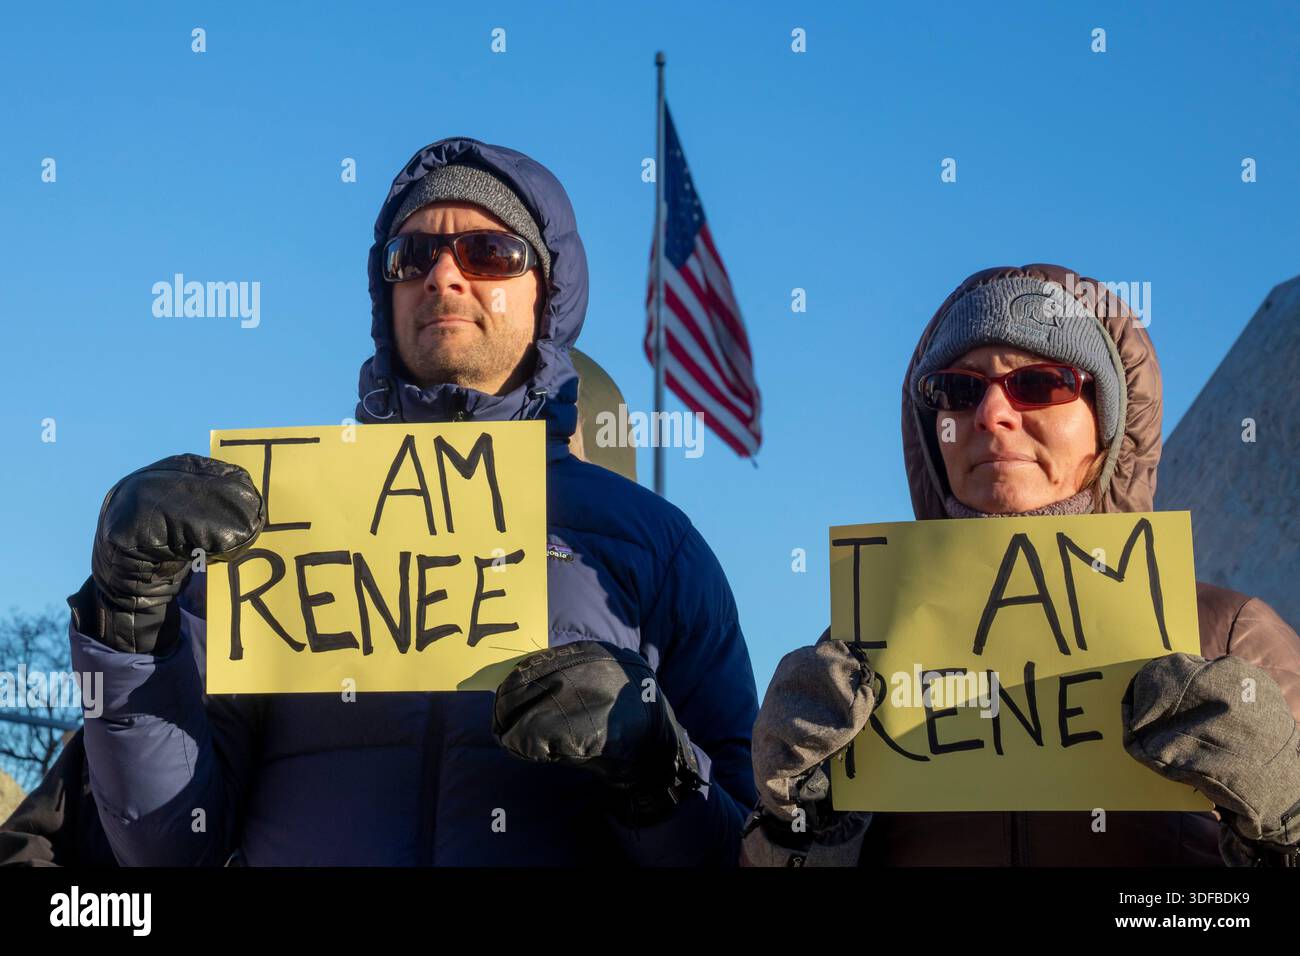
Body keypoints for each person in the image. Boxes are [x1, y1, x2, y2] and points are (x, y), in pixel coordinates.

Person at [61, 137, 758, 866]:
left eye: (488, 252)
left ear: (548, 292)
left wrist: (654, 766)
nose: (444, 276)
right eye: (412, 256)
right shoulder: (275, 523)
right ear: (384, 289)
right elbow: (169, 846)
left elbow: (738, 855)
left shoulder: (657, 546)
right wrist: (129, 624)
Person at [744, 263, 1300, 867]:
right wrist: (795, 832)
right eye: (958, 389)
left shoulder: (1231, 633)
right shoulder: (852, 657)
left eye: (1040, 383)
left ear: (1108, 424)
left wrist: (1285, 824)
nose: (990, 414)